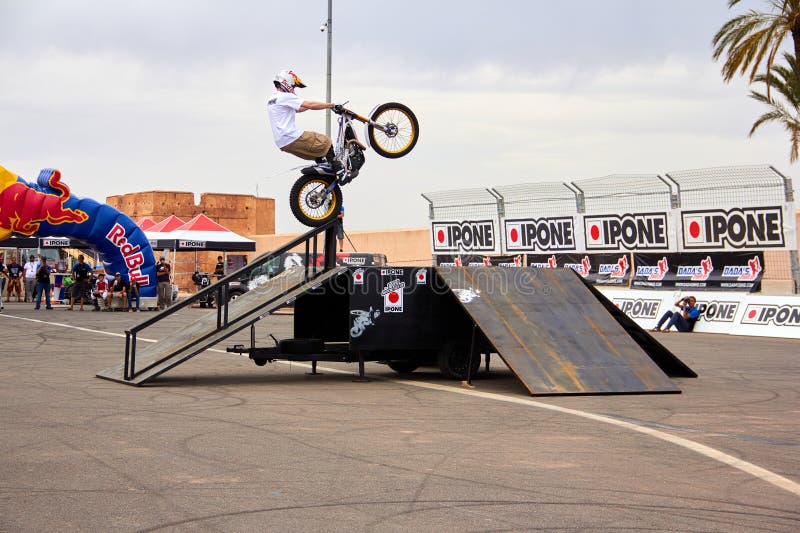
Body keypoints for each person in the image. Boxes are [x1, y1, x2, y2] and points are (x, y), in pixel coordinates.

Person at [267, 69, 344, 176]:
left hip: (282, 142)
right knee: (325, 142)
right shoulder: (285, 96)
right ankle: (340, 171)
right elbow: (309, 105)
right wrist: (332, 105)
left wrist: (315, 105)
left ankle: (324, 172)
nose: (293, 88)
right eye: (293, 86)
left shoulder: (273, 99)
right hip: (291, 136)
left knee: (318, 152)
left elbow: (299, 109)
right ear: (286, 83)